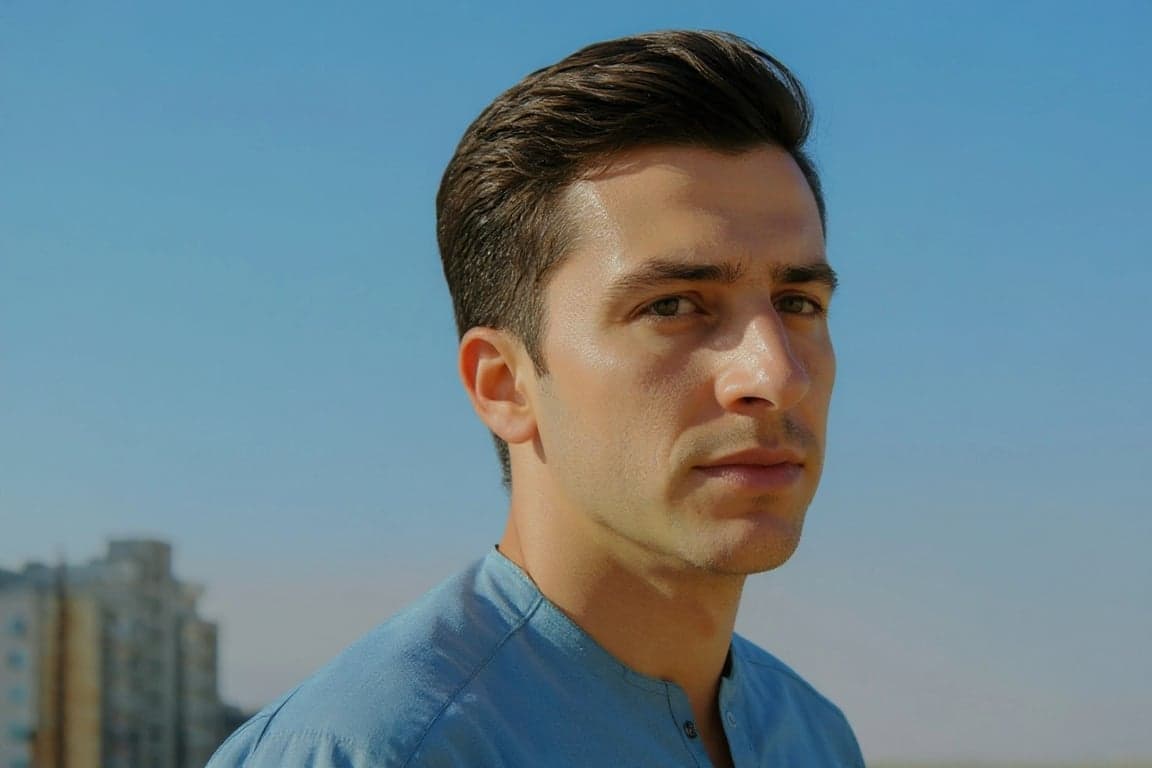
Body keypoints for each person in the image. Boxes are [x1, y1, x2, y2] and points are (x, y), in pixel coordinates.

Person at [208, 30, 864, 767]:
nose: (776, 375)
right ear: (504, 384)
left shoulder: (815, 738)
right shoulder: (377, 750)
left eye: (798, 303)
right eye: (674, 306)